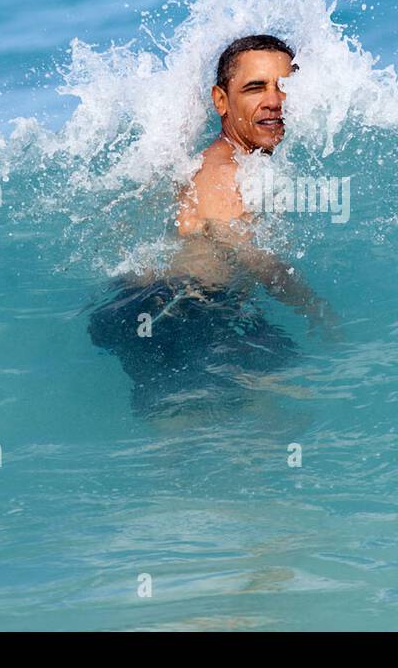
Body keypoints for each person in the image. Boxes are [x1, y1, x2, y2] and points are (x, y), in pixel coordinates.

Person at [88, 34, 337, 417]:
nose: (274, 100)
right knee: (281, 411)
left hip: (156, 306)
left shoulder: (227, 160)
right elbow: (251, 257)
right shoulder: (222, 173)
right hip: (181, 312)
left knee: (193, 443)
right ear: (221, 100)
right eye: (256, 88)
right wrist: (315, 308)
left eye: (284, 86)